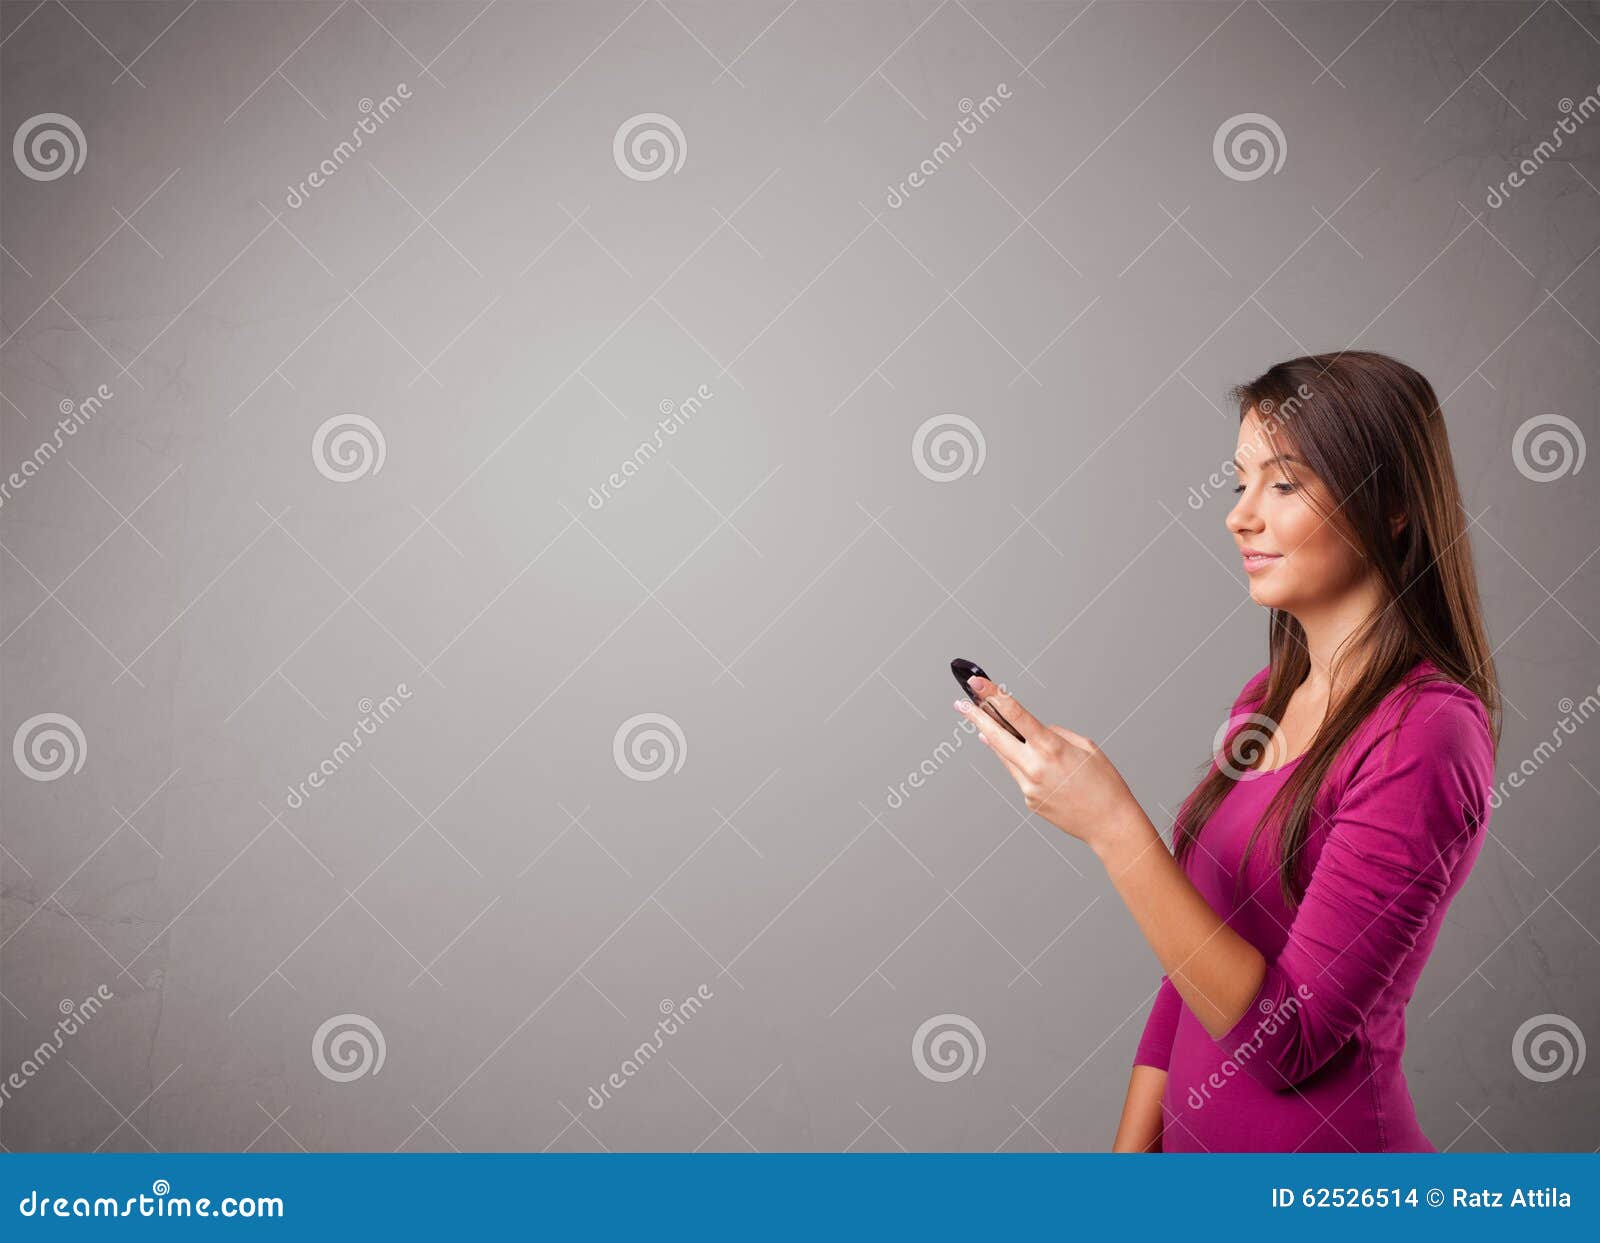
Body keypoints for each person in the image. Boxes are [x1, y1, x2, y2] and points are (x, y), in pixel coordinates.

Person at [956, 350, 1500, 1152]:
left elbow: (1289, 1039)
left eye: (1283, 483)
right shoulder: (1264, 701)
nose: (1239, 515)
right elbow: (1193, 962)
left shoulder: (1426, 734)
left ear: (1390, 505)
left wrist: (1113, 826)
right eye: (1239, 483)